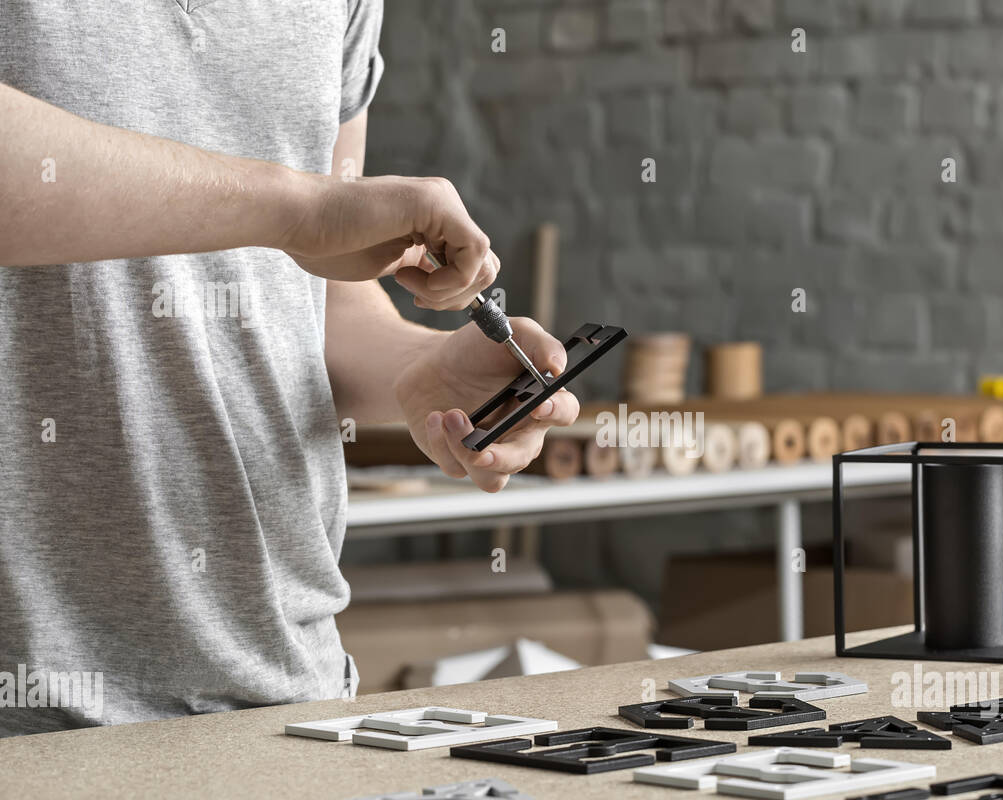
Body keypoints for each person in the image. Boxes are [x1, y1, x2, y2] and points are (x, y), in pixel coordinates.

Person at [0, 0, 577, 734]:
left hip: (284, 690)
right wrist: (298, 211)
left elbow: (318, 296)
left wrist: (423, 367)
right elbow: (306, 222)